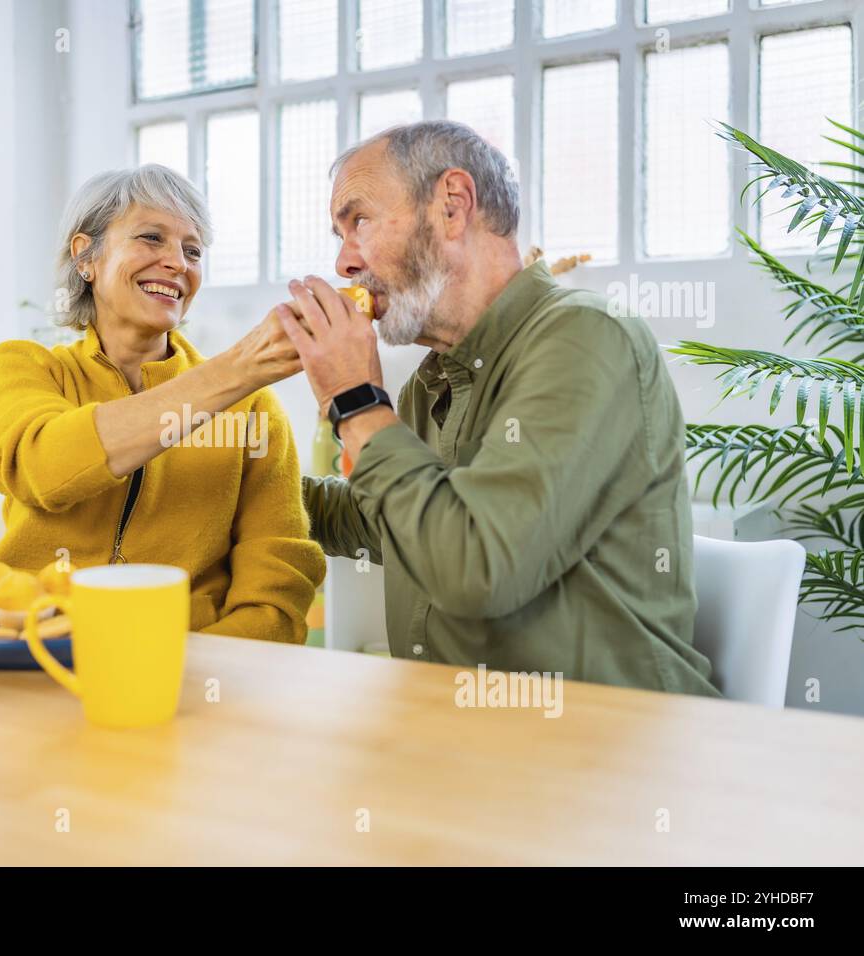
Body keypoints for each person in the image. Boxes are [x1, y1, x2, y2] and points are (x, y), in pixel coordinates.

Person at [274, 121, 719, 695]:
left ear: (452, 207)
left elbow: (476, 568)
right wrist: (243, 482)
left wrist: (356, 401)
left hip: (603, 747)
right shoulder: (432, 381)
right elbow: (393, 521)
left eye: (357, 221)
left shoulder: (585, 338)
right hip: (463, 735)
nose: (342, 263)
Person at [0, 165, 324, 643]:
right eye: (151, 238)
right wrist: (235, 370)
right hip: (26, 649)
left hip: (186, 664)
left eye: (193, 250)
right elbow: (44, 469)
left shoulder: (253, 411)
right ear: (86, 257)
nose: (178, 262)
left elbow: (275, 594)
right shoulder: (26, 367)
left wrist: (193, 672)